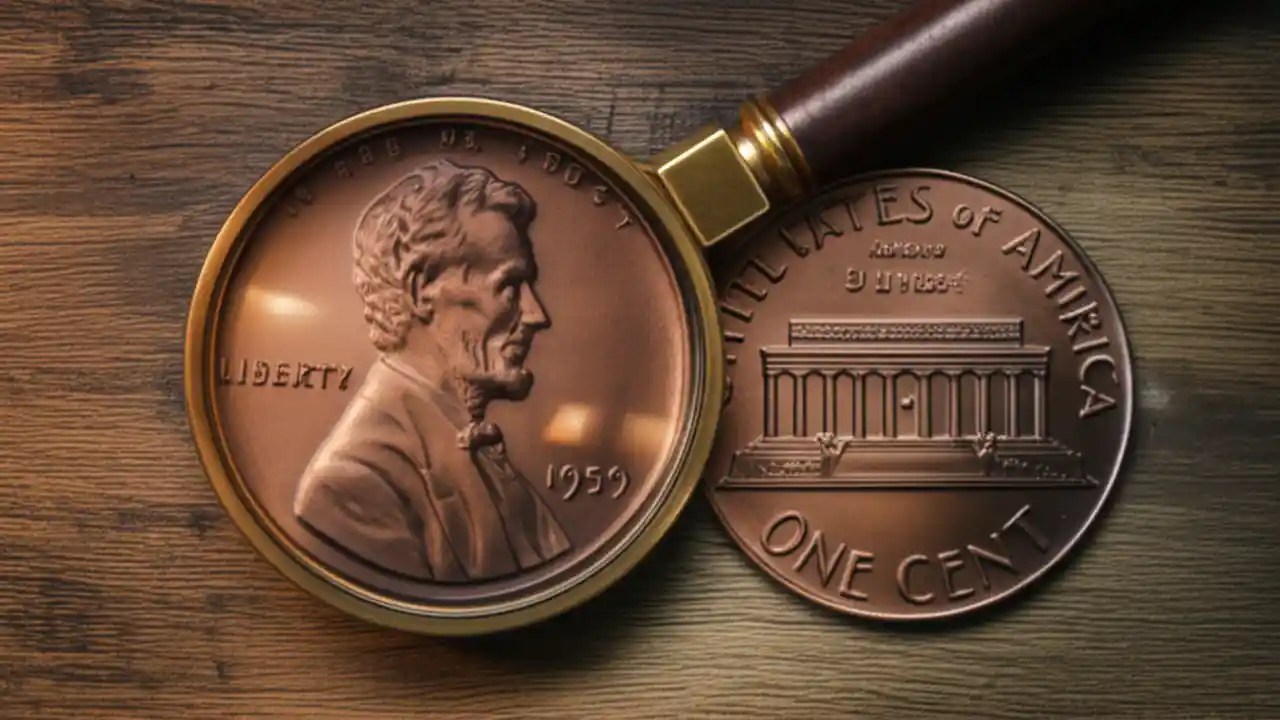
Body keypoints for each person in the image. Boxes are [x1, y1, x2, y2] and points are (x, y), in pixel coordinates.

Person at [293, 160, 571, 583]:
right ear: (421, 291)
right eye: (510, 286)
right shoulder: (351, 485)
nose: (536, 315)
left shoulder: (480, 452)